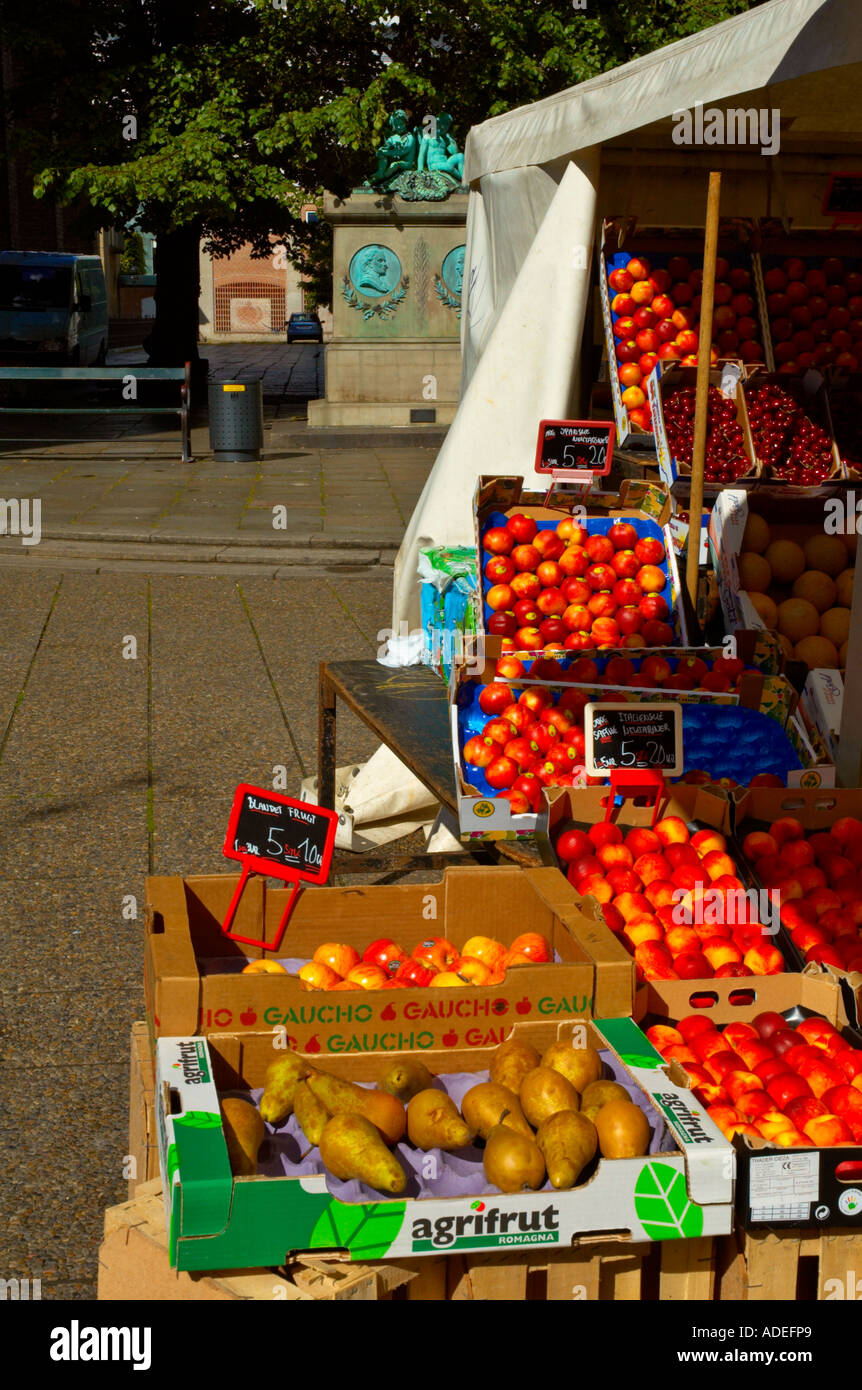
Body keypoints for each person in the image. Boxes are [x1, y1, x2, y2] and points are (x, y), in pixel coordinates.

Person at [369, 110, 418, 188]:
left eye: (401, 124)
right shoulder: (394, 137)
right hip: (393, 160)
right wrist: (381, 151)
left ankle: (381, 177)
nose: (399, 127)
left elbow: (401, 152)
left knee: (395, 164)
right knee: (383, 155)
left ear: (405, 123)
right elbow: (385, 148)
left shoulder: (410, 138)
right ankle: (380, 172)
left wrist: (387, 152)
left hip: (406, 163)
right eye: (396, 124)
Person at [418, 113, 464, 182]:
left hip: (445, 162)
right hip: (434, 165)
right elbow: (421, 155)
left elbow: (454, 152)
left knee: (460, 156)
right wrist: (420, 170)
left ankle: (463, 177)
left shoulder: (444, 139)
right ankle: (462, 180)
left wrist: (450, 140)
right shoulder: (427, 137)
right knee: (448, 166)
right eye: (442, 124)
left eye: (447, 125)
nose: (444, 127)